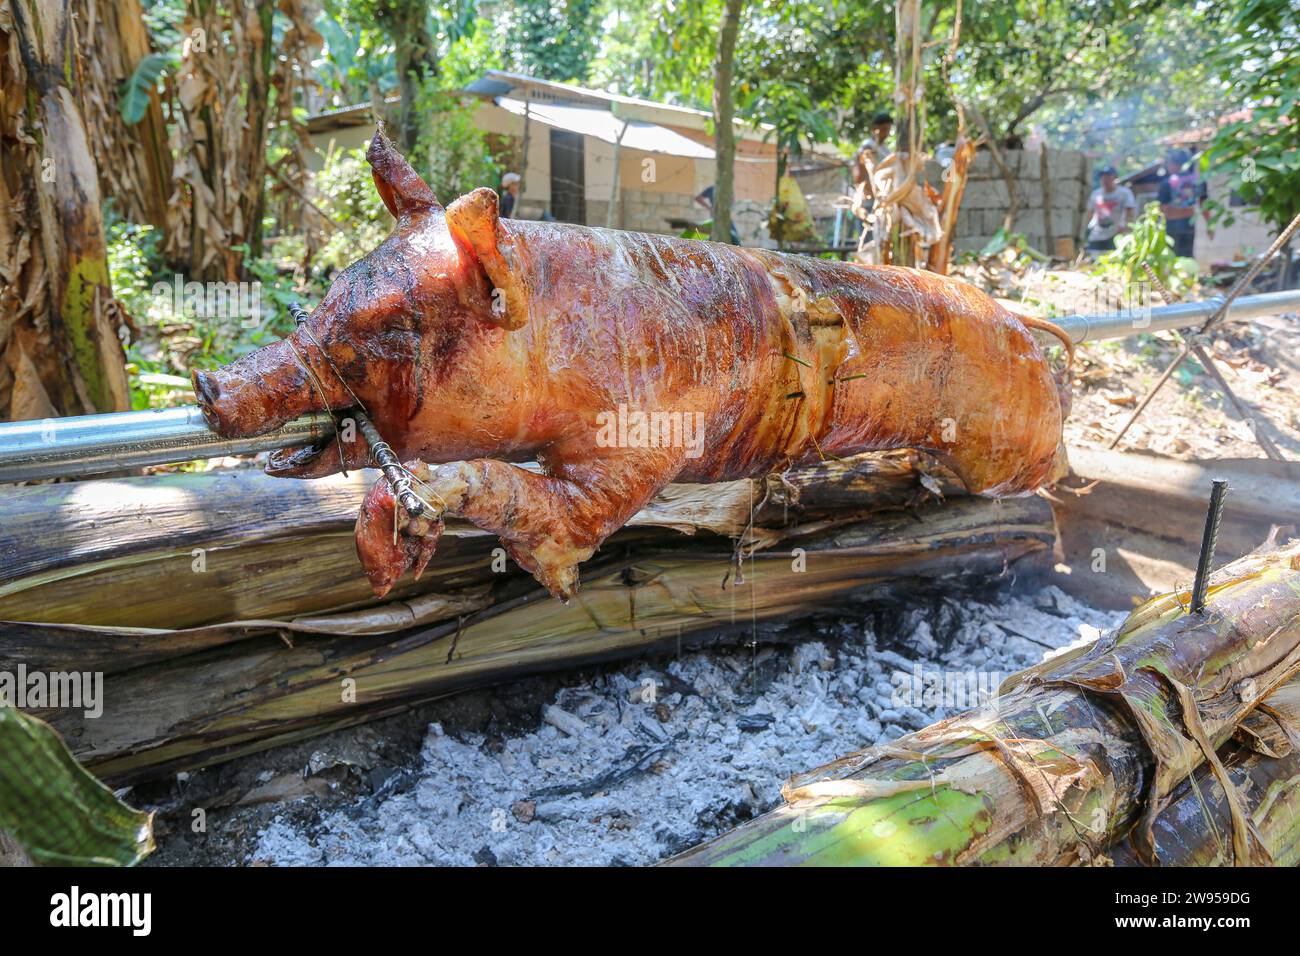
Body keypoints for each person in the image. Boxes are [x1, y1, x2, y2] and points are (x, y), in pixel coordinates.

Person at [1158, 149, 1209, 259]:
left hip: (1171, 226)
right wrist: (1209, 226)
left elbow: (1163, 209)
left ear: (1174, 164)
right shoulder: (1198, 180)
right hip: (1189, 225)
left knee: (1172, 258)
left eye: (1169, 163)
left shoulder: (1168, 182)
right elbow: (1204, 204)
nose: (1168, 166)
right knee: (1187, 257)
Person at [1084, 165, 1138, 253]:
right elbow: (1089, 213)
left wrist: (1125, 228)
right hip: (1097, 235)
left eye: (1108, 176)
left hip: (1116, 235)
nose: (1105, 179)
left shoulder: (1124, 193)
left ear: (1115, 177)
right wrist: (1086, 231)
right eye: (1103, 176)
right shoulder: (1095, 194)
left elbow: (1130, 212)